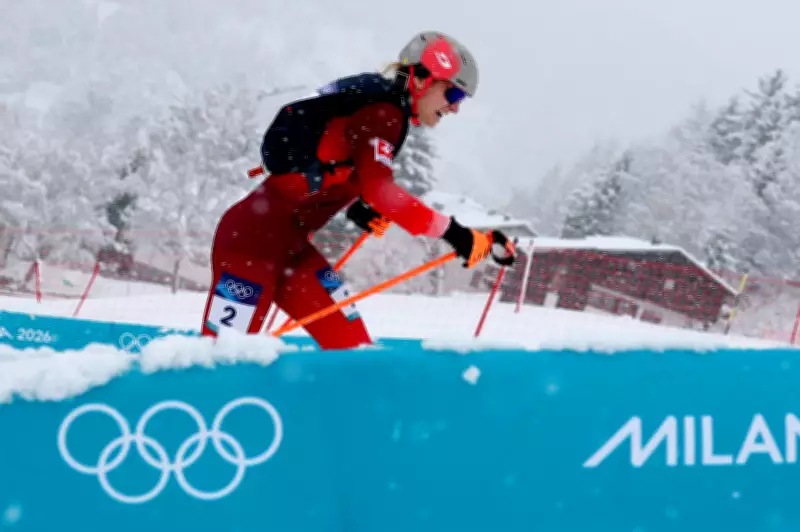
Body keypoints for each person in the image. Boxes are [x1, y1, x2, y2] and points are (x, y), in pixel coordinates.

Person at [201, 30, 516, 349]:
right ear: (422, 80)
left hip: (292, 252)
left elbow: (337, 166)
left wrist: (357, 208)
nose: (455, 109)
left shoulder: (382, 111)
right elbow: (382, 191)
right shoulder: (384, 114)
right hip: (250, 246)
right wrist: (455, 234)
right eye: (454, 96)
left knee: (353, 350)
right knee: (224, 362)